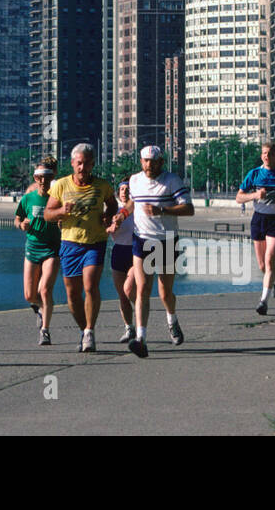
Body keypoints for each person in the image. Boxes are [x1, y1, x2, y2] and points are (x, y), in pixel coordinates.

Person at [43, 144, 123, 353]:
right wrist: (61, 210)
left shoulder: (102, 185)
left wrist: (108, 215)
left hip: (95, 242)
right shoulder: (60, 185)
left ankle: (89, 331)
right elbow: (47, 214)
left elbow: (112, 205)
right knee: (72, 294)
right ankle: (83, 329)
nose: (82, 167)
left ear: (93, 164)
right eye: (79, 163)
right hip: (69, 243)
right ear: (72, 164)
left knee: (90, 286)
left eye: (87, 163)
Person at [128, 146, 194, 358]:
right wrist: (122, 213)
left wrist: (163, 210)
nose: (149, 165)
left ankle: (172, 319)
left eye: (153, 161)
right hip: (141, 239)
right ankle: (141, 339)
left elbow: (189, 208)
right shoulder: (134, 180)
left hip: (165, 240)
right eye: (145, 161)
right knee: (142, 289)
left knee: (165, 292)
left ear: (161, 162)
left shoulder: (171, 181)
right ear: (141, 161)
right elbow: (133, 202)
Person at [237, 141, 275, 315]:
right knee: (262, 265)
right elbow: (239, 198)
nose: (266, 156)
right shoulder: (254, 174)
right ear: (261, 155)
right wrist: (255, 195)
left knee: (270, 258)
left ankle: (263, 301)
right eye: (264, 153)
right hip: (258, 219)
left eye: (270, 153)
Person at [14, 157, 61, 345]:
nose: (43, 180)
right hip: (32, 248)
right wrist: (21, 225)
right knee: (29, 295)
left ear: (53, 176)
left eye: (47, 176)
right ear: (35, 177)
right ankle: (41, 310)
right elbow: (17, 219)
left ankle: (45, 330)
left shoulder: (58, 197)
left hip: (52, 248)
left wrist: (62, 221)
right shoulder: (28, 198)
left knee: (45, 289)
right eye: (40, 177)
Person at [108, 182, 138, 344]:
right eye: (122, 189)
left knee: (129, 289)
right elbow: (105, 227)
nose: (124, 192)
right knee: (122, 295)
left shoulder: (136, 208)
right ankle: (129, 328)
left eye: (128, 189)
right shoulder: (115, 210)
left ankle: (141, 313)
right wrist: (109, 227)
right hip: (118, 251)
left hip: (135, 252)